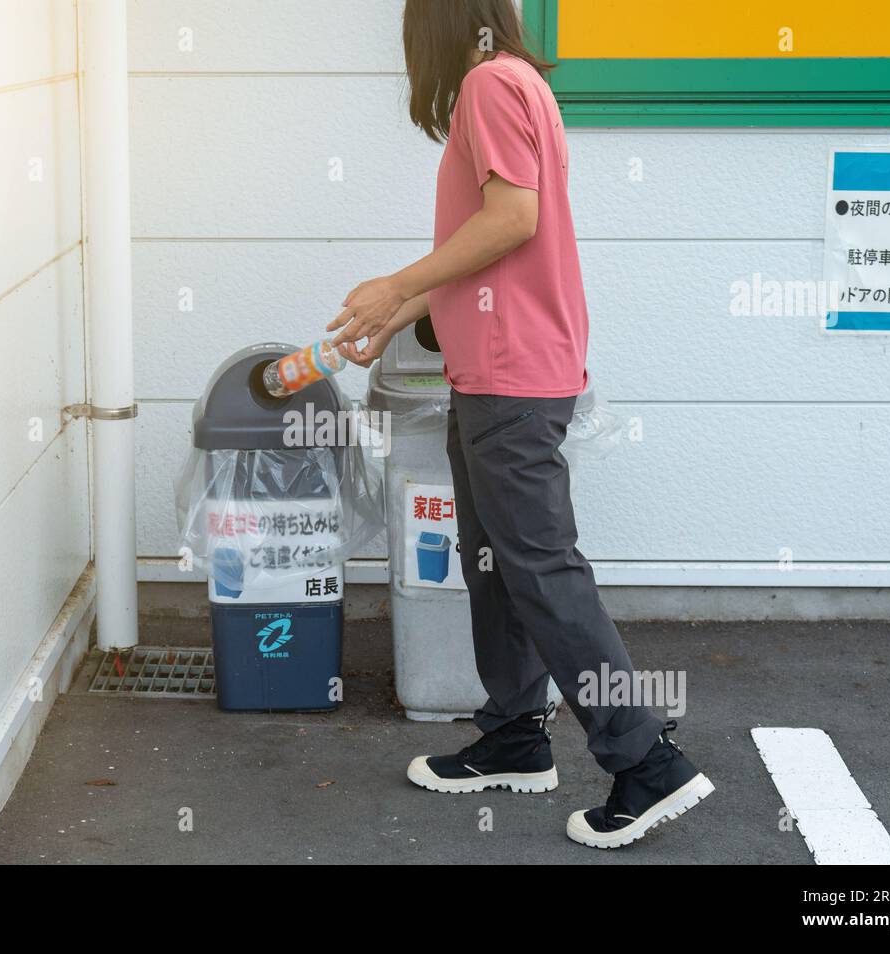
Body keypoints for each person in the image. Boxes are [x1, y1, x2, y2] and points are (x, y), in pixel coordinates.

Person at [326, 0, 713, 849]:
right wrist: (403, 312)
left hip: (510, 374)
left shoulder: (490, 85)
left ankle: (646, 762)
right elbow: (490, 242)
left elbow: (513, 218)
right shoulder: (517, 80)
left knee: (542, 571)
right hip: (497, 370)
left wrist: (396, 285)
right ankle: (514, 736)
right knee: (497, 564)